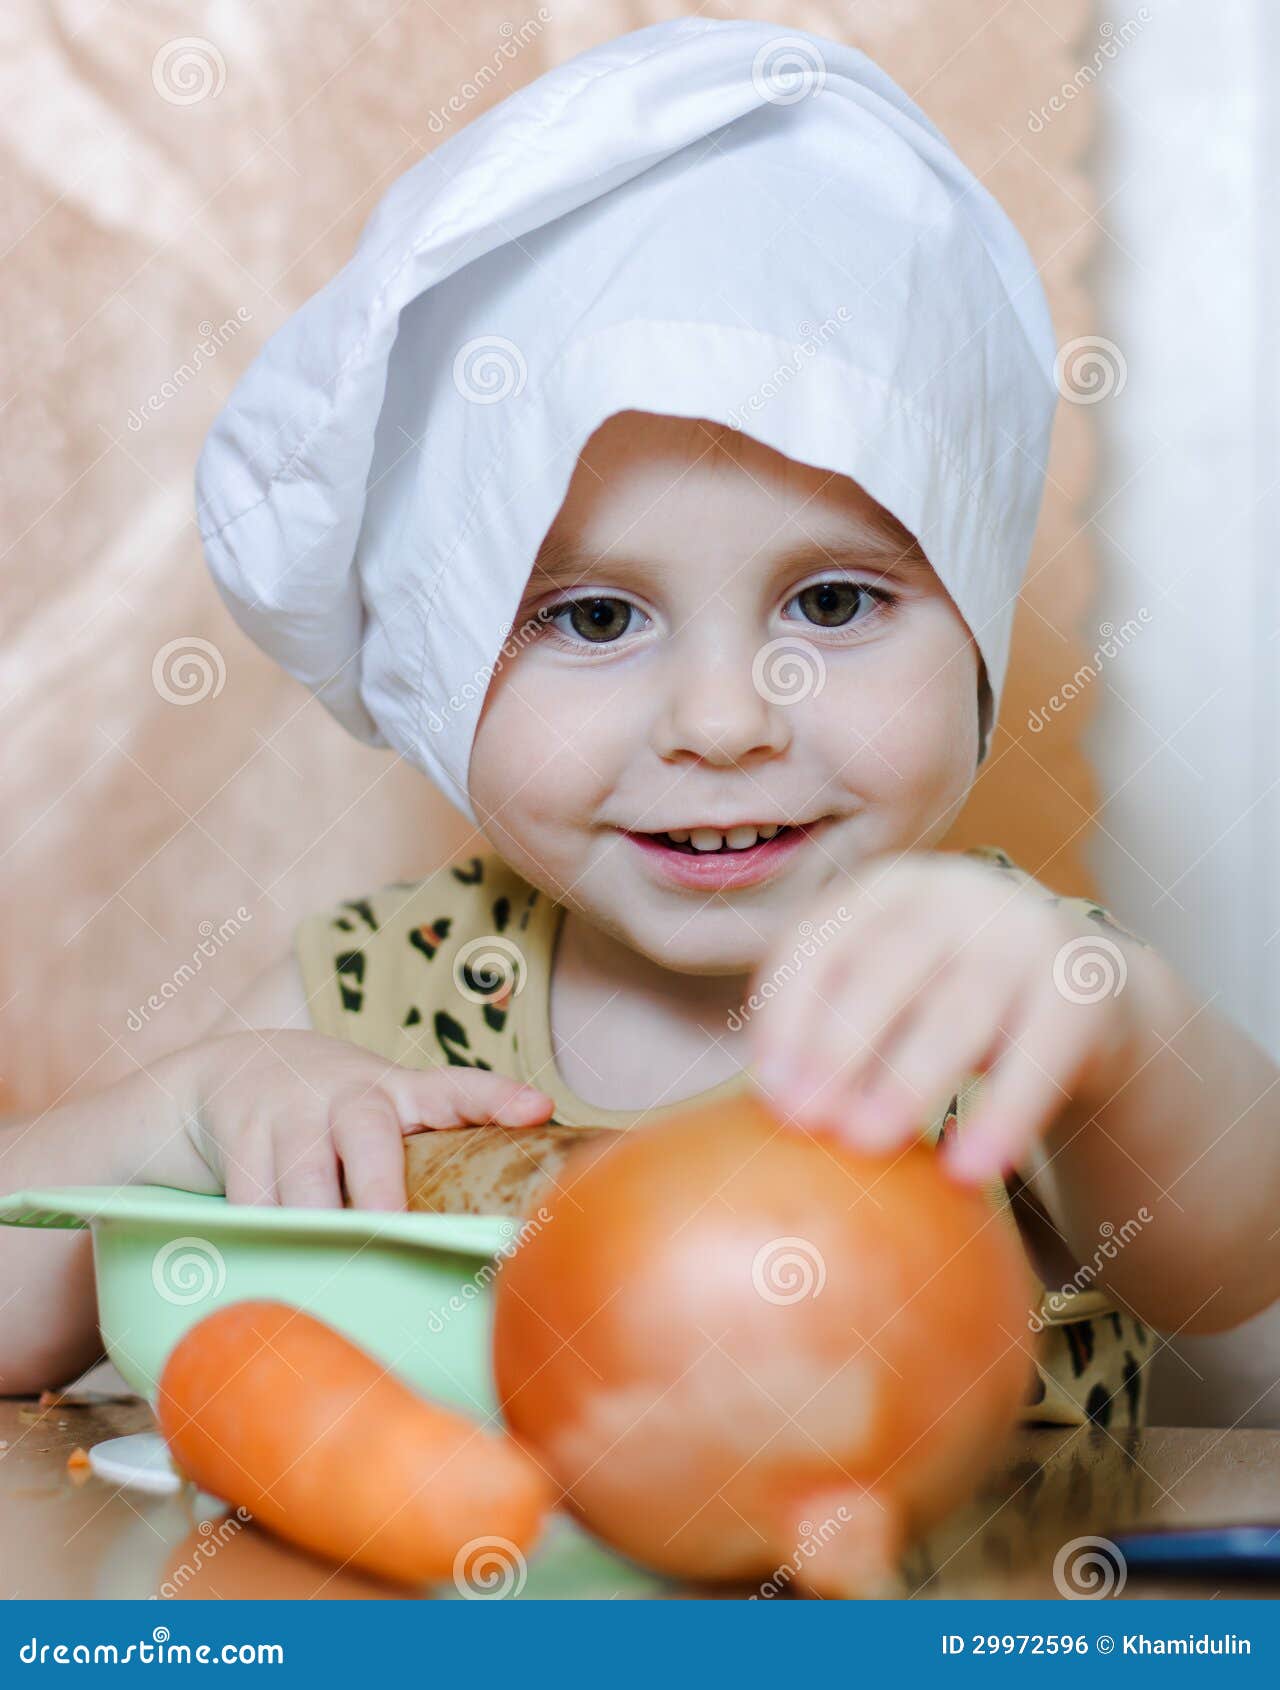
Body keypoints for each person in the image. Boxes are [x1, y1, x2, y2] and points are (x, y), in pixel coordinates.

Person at [3, 22, 1277, 1433]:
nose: (725, 721)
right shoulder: (385, 1006)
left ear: (974, 621)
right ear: (441, 664)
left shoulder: (990, 992)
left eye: (833, 602)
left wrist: (1120, 1028)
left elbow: (1232, 1265)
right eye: (596, 618)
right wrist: (183, 1109)